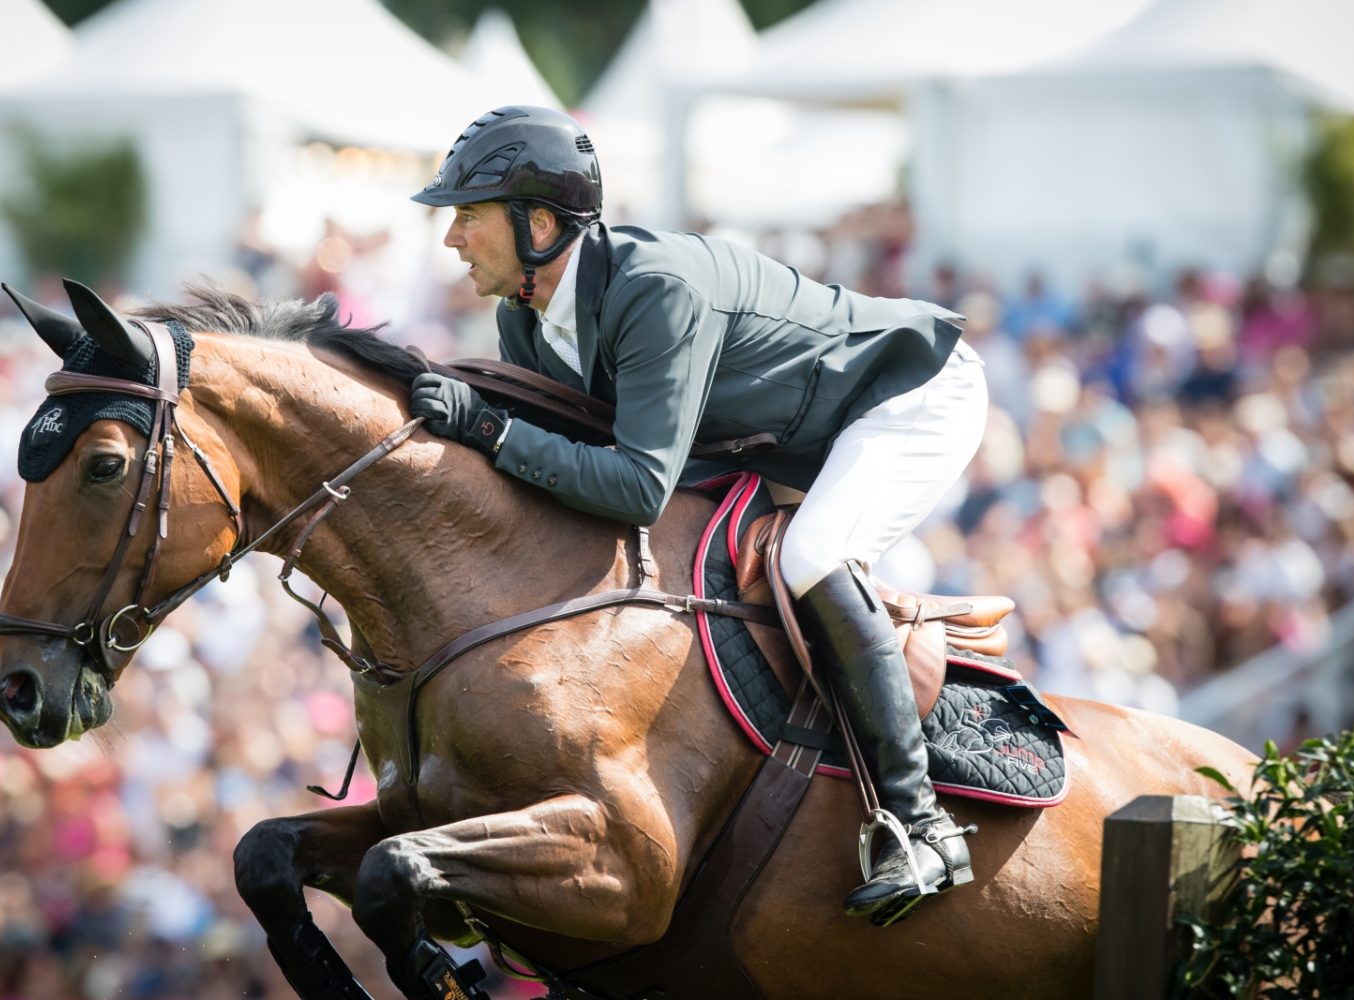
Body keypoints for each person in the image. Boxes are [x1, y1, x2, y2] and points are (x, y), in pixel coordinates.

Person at [408, 106, 988, 924]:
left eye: (467, 215)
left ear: (538, 224)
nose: (452, 239)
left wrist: (494, 429)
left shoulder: (652, 288)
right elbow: (570, 470)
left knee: (811, 557)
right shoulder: (524, 320)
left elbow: (637, 485)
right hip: (780, 437)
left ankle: (922, 824)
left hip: (907, 395)